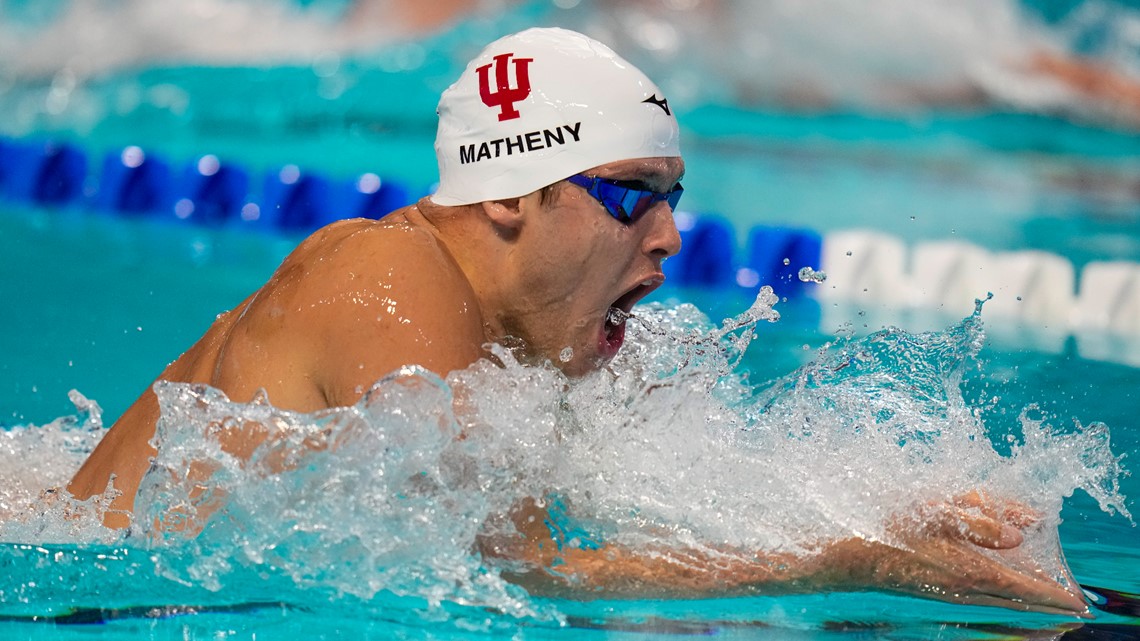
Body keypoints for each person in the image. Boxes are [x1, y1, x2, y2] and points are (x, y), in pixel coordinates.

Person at [65, 28, 1087, 616]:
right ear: (512, 194)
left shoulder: (507, 342)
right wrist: (854, 558)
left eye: (675, 197)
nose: (671, 238)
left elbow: (579, 528)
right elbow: (523, 568)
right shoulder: (388, 273)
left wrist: (878, 510)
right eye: (633, 194)